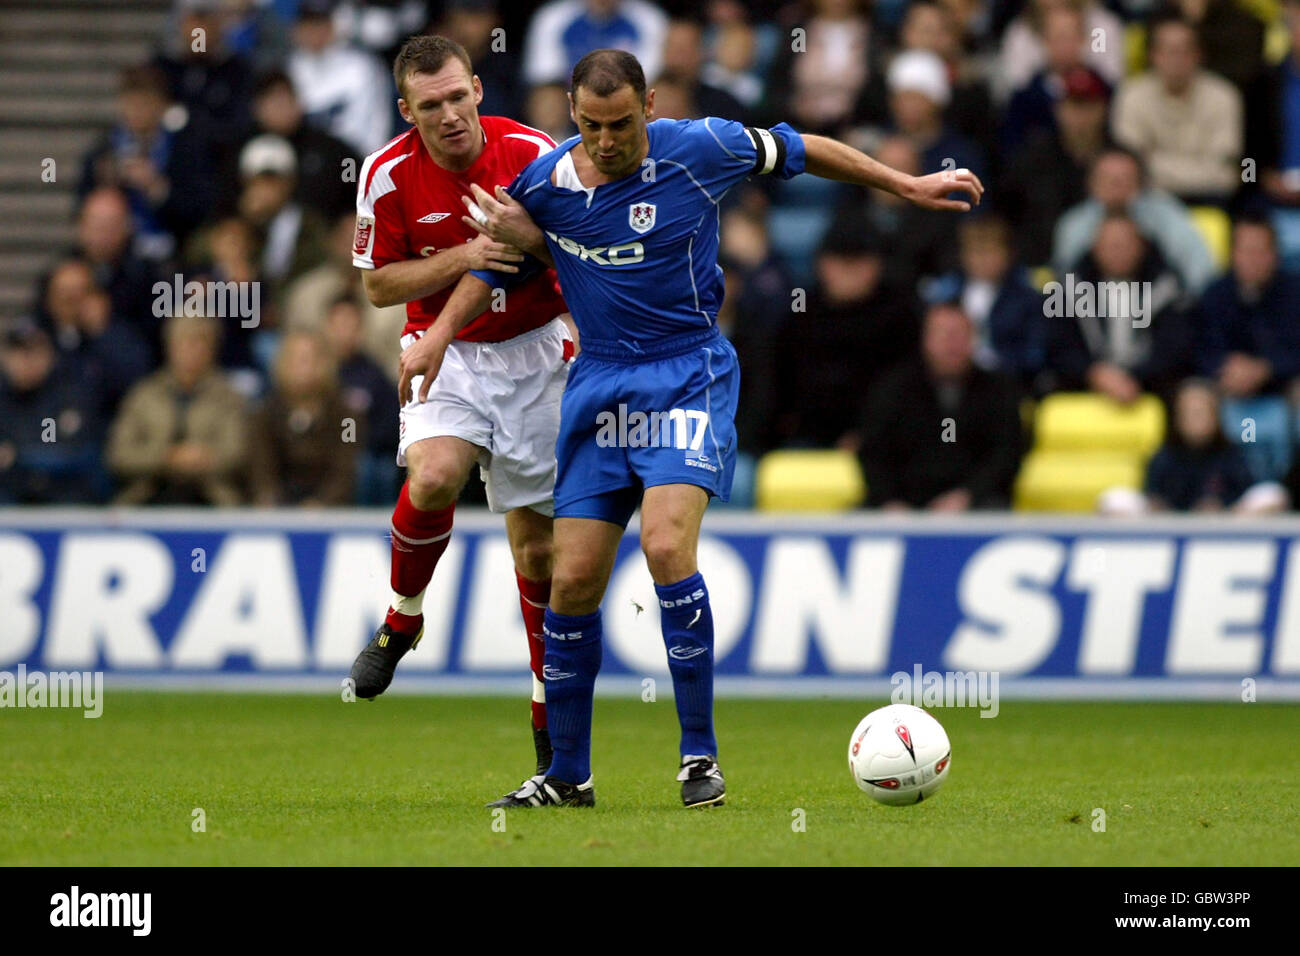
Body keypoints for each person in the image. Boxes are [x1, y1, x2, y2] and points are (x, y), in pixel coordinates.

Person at [409, 49, 982, 809]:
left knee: (665, 543)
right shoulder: (545, 183)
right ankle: (567, 776)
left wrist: (904, 182)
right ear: (572, 117)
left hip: (687, 372)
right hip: (599, 382)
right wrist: (442, 333)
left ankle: (698, 757)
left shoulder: (701, 147)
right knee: (571, 580)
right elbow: (495, 262)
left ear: (650, 105)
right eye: (589, 126)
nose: (607, 141)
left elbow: (804, 149)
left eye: (621, 124)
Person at [345, 36, 575, 796]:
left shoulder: (531, 153)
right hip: (446, 354)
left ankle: (550, 738)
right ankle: (403, 617)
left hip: (538, 347)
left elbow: (544, 254)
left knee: (538, 555)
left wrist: (501, 250)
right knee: (436, 472)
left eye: (458, 97)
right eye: (430, 105)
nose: (449, 116)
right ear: (406, 111)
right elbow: (380, 288)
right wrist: (463, 258)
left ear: (477, 88)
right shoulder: (384, 176)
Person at [855, 302, 1023, 511]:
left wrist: (968, 495)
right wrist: (889, 501)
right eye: (944, 335)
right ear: (925, 339)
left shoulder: (999, 390)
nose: (952, 344)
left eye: (960, 334)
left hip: (976, 504)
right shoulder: (894, 388)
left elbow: (1006, 454)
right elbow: (872, 452)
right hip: (901, 505)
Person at [106, 313, 248, 506]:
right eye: (185, 342)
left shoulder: (228, 397)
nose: (193, 351)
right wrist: (166, 457)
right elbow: (119, 454)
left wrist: (202, 458)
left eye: (201, 343)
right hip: (147, 496)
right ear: (170, 346)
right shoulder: (144, 394)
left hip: (212, 497)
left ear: (213, 348)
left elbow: (237, 452)